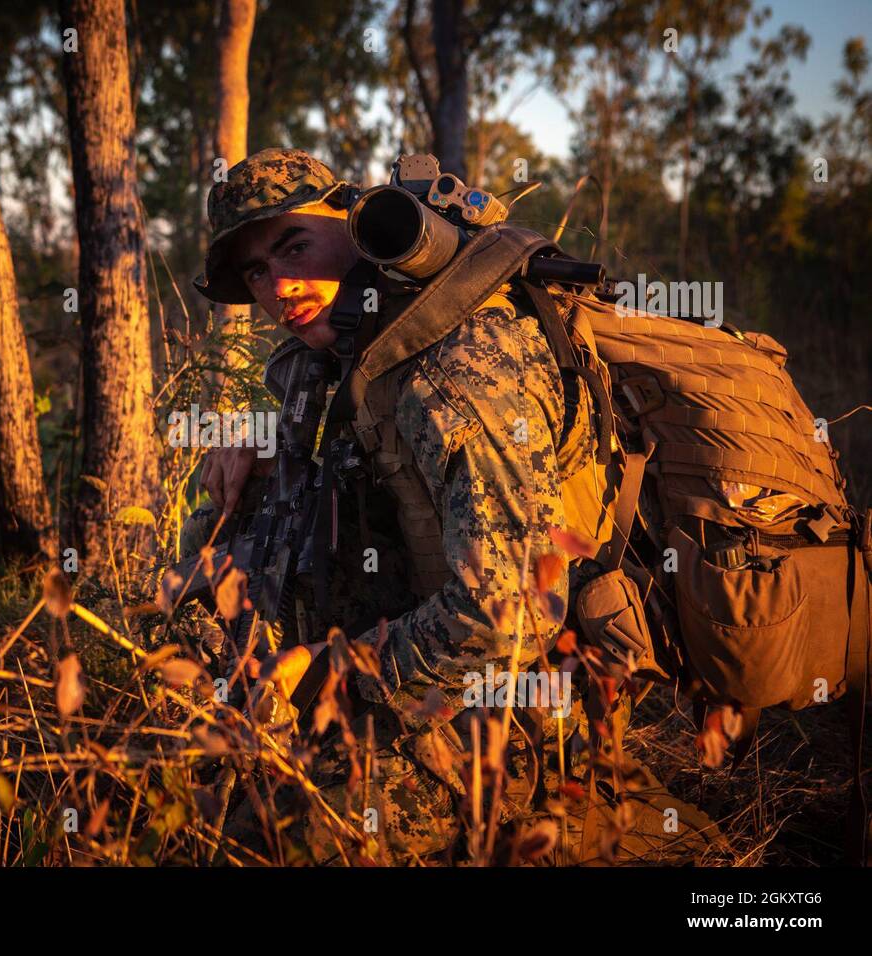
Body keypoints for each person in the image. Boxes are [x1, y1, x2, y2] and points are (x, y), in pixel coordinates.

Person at [179, 147, 724, 864]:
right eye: (256, 271)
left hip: (517, 701)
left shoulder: (456, 365)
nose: (281, 286)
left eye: (294, 246)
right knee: (201, 745)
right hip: (425, 670)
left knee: (275, 836)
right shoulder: (353, 344)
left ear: (356, 221)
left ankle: (614, 818)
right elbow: (366, 474)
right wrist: (255, 444)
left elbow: (511, 614)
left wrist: (328, 671)